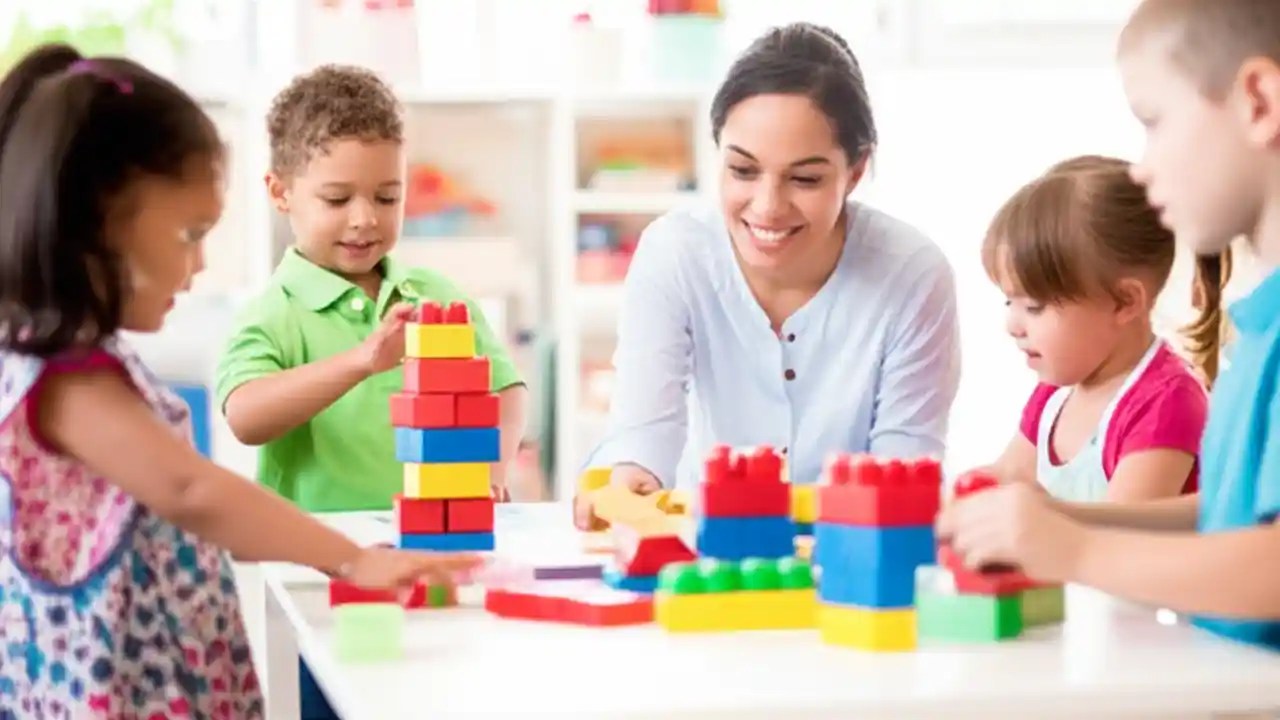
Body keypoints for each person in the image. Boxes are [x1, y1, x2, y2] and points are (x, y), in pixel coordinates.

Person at [0, 45, 480, 717]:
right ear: (98, 225)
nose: (198, 266)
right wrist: (351, 559)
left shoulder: (84, 362)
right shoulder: (67, 381)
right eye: (189, 234)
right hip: (120, 692)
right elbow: (192, 488)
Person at [939, 0, 1280, 650]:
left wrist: (1075, 548)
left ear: (1258, 101)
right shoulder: (1261, 334)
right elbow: (1226, 522)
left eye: (1154, 121)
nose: (1143, 166)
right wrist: (1056, 517)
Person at [575, 22, 961, 526]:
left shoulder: (911, 274)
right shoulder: (675, 253)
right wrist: (628, 483)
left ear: (856, 172)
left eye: (805, 178)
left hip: (856, 554)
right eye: (742, 171)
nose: (768, 207)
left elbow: (907, 466)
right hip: (708, 551)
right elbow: (643, 432)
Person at [216, 65, 527, 511]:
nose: (365, 219)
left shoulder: (436, 297)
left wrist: (491, 472)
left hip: (429, 549)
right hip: (314, 561)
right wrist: (362, 361)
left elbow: (504, 389)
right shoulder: (273, 312)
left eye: (387, 198)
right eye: (337, 199)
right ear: (281, 192)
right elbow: (245, 417)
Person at [980, 155, 1223, 502]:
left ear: (1124, 302)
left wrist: (1033, 515)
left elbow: (1122, 538)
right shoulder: (1055, 394)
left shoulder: (1168, 403)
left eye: (1034, 307)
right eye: (1009, 302)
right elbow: (1005, 477)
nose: (1012, 326)